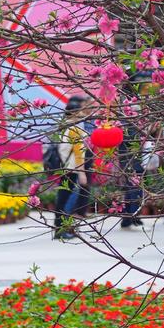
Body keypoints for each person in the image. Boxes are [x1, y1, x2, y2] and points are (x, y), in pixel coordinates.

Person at [53, 96, 92, 238]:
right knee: (69, 201)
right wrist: (82, 173)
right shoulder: (75, 129)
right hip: (72, 169)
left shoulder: (64, 126)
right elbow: (78, 153)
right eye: (80, 111)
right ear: (75, 113)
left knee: (62, 199)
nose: (83, 114)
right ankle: (63, 230)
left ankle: (59, 229)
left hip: (64, 168)